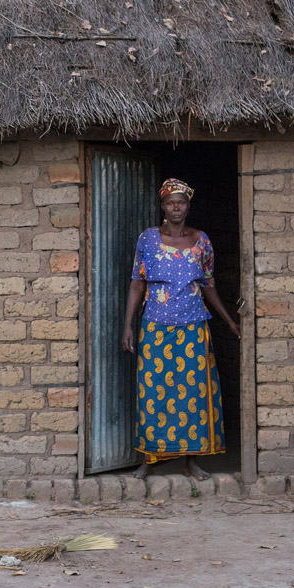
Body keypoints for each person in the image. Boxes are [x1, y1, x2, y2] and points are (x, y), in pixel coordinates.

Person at [120, 178, 240, 481]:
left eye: (182, 202)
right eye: (171, 201)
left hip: (193, 327)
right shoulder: (147, 239)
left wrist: (227, 320)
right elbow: (137, 282)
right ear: (162, 205)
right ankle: (149, 459)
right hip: (155, 326)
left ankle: (191, 462)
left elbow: (208, 285)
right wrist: (127, 325)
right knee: (152, 393)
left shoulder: (202, 241)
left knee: (194, 394)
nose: (176, 207)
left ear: (188, 206)